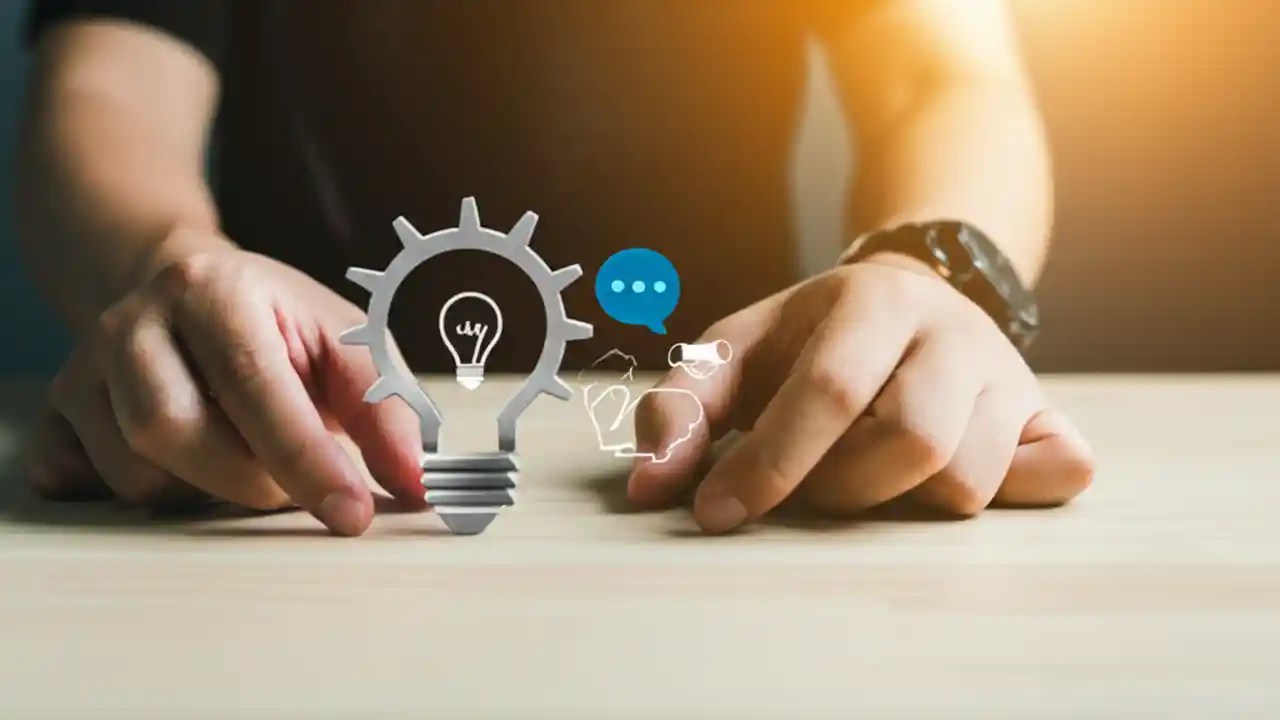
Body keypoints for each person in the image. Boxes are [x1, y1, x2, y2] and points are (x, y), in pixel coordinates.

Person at [16, 0, 1094, 537]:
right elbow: (111, 83)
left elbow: (940, 72)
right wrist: (174, 265)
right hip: (286, 449)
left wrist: (928, 270)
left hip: (734, 446)